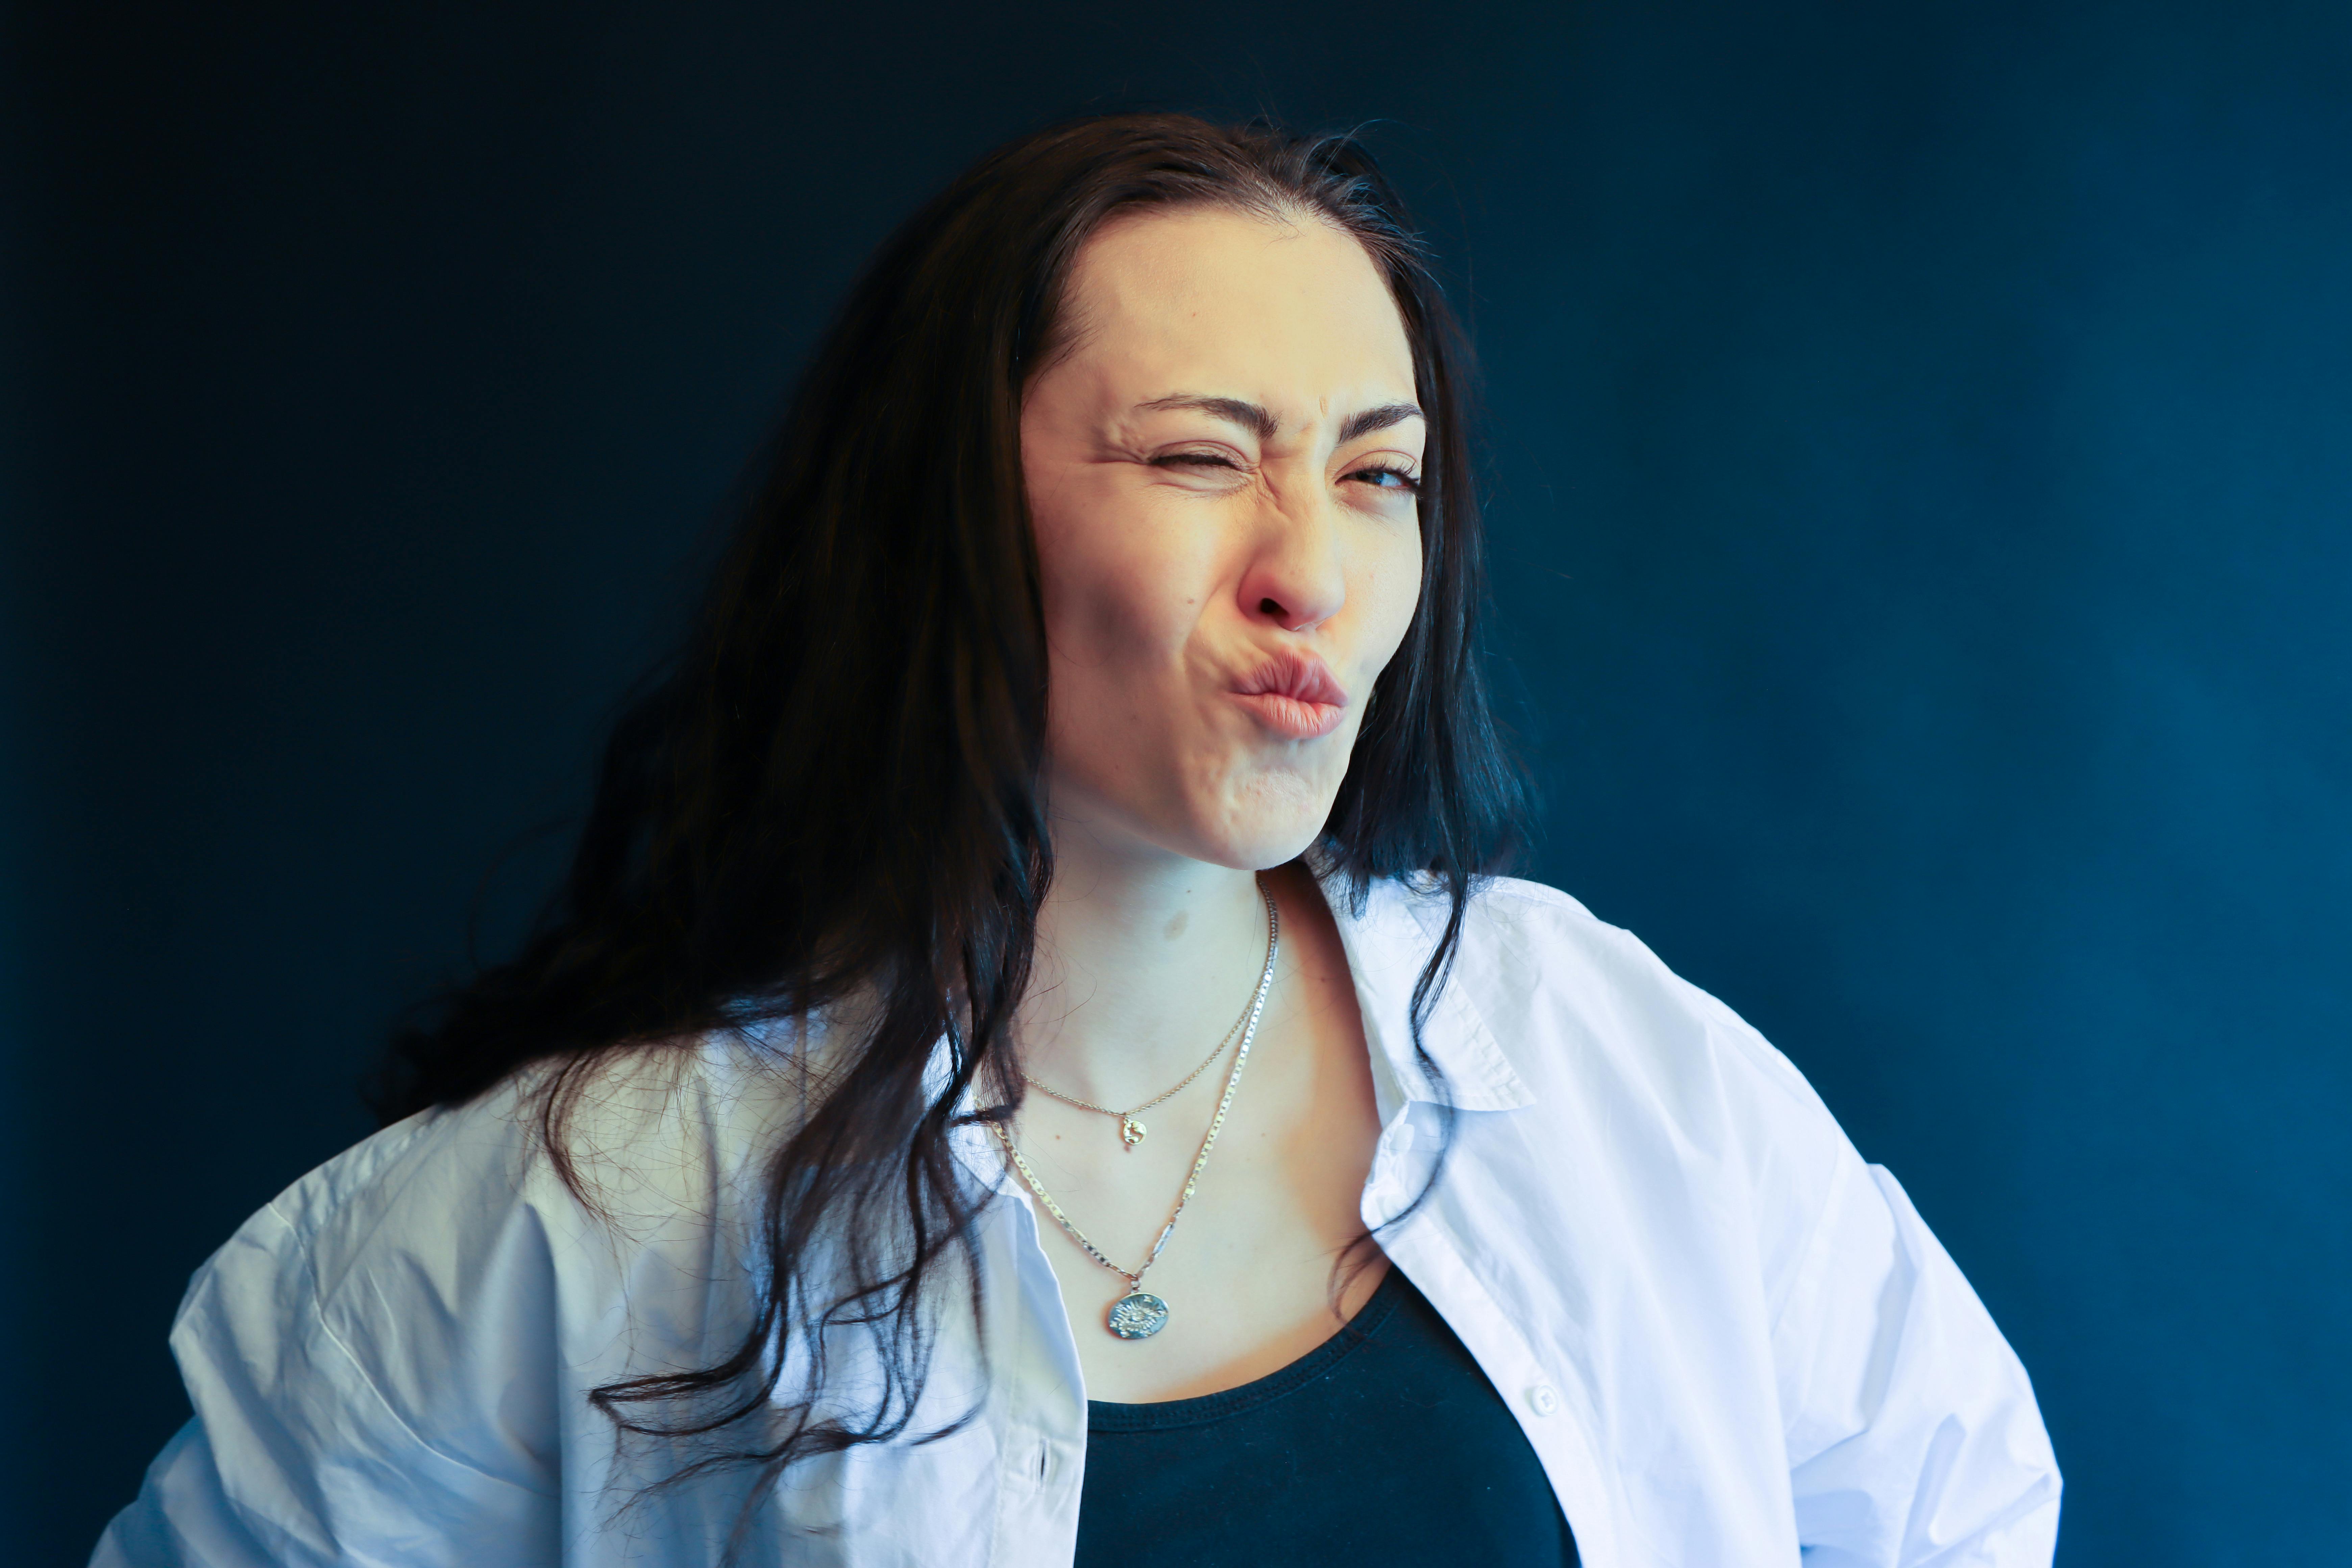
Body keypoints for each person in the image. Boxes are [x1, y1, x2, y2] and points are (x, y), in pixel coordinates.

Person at [92, 114, 2060, 1568]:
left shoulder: (1601, 1059)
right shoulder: (572, 1217)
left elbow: (1960, 1511)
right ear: (946, 509)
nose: (1313, 572)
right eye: (1203, 456)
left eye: (1379, 476)